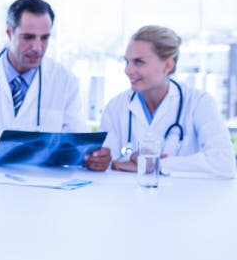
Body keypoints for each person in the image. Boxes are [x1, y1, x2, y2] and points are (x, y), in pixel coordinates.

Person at [0, 0, 111, 171]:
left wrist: (93, 158)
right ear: (9, 32)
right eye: (28, 37)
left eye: (44, 38)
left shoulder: (65, 81)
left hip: (41, 186)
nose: (37, 47)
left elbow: (77, 144)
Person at [100, 25, 236, 178]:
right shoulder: (116, 107)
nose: (128, 70)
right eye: (127, 62)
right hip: (128, 199)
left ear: (168, 65)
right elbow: (110, 163)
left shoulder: (199, 103)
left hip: (183, 200)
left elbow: (224, 163)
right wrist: (99, 161)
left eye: (139, 62)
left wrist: (155, 164)